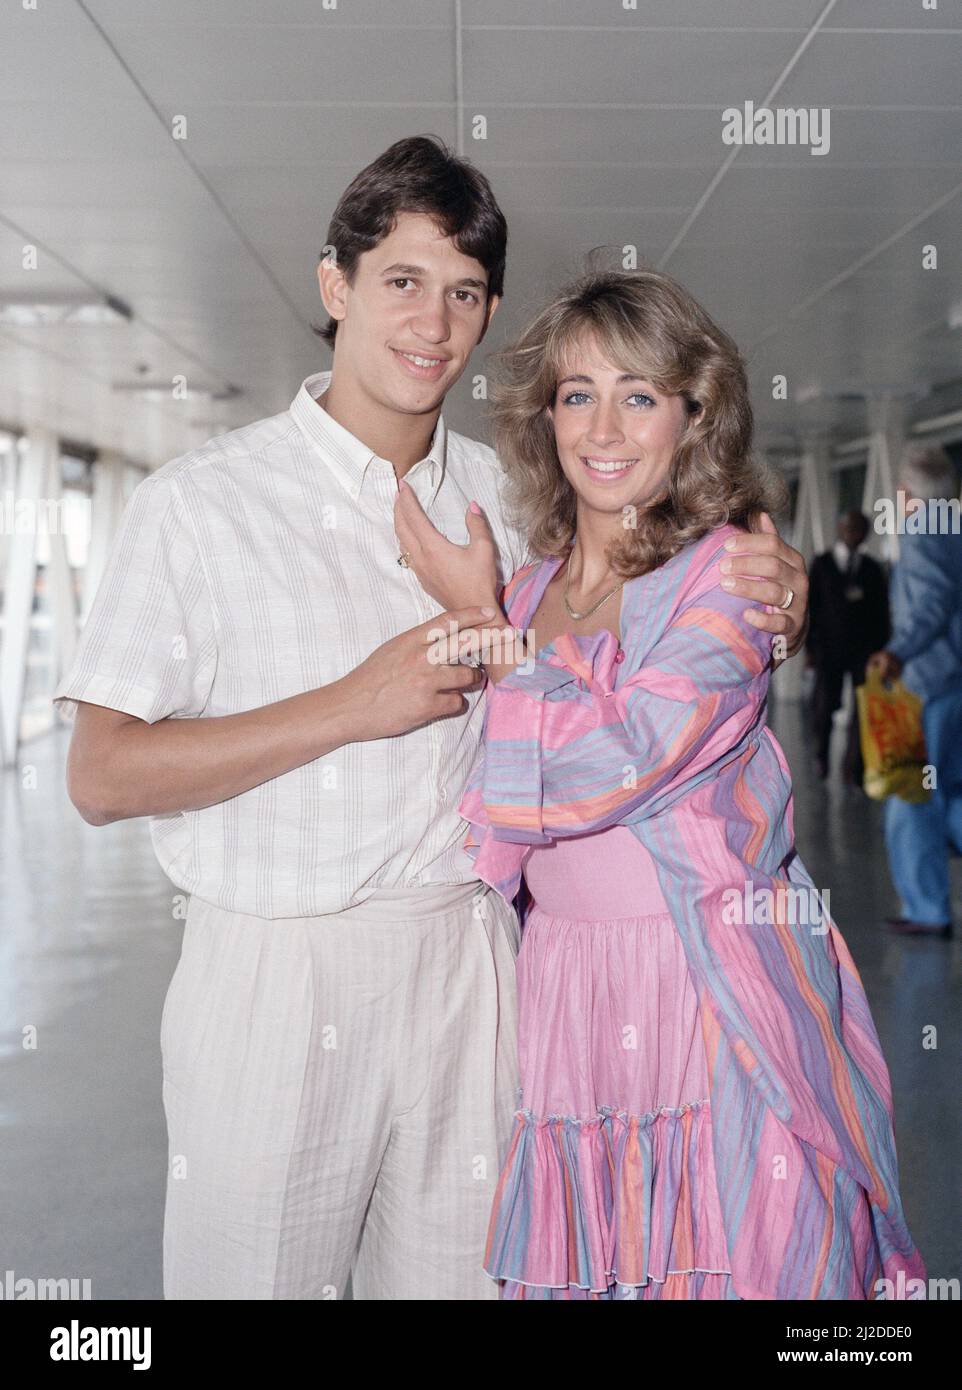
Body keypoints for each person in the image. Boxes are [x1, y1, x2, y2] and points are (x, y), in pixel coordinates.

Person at [52, 136, 809, 1301]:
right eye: (401, 280)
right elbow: (101, 775)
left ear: (489, 310)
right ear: (334, 286)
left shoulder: (516, 502)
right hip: (277, 967)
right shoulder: (199, 507)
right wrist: (350, 707)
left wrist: (777, 569)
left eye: (463, 292)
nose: (432, 321)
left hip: (473, 961)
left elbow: (654, 559)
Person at [396, 268, 926, 1300]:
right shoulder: (532, 584)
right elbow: (491, 809)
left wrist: (497, 642)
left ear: (692, 416)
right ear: (544, 413)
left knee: (732, 1247)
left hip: (703, 980)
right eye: (576, 392)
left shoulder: (727, 578)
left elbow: (617, 755)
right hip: (569, 989)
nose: (603, 425)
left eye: (638, 394)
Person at [868, 444, 962, 938]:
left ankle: (928, 909)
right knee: (950, 792)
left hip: (926, 682)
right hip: (954, 682)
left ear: (910, 492)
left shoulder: (926, 530)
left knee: (912, 795)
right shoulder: (956, 530)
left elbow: (929, 604)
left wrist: (899, 651)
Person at [806, 510, 889, 782]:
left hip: (863, 652)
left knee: (862, 710)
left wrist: (882, 650)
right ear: (840, 529)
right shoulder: (822, 564)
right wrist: (809, 650)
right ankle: (821, 756)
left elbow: (881, 614)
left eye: (860, 530)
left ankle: (853, 768)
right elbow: (810, 608)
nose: (854, 535)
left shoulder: (872, 569)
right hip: (828, 649)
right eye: (850, 528)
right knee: (824, 707)